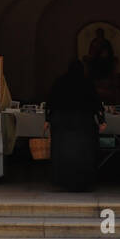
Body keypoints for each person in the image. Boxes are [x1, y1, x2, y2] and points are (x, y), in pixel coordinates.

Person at [44, 59, 105, 192]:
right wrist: (101, 120)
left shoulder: (60, 82)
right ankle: (82, 182)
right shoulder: (86, 83)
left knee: (63, 153)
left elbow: (51, 102)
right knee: (83, 154)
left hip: (62, 124)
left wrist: (47, 119)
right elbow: (96, 103)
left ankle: (64, 182)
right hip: (83, 124)